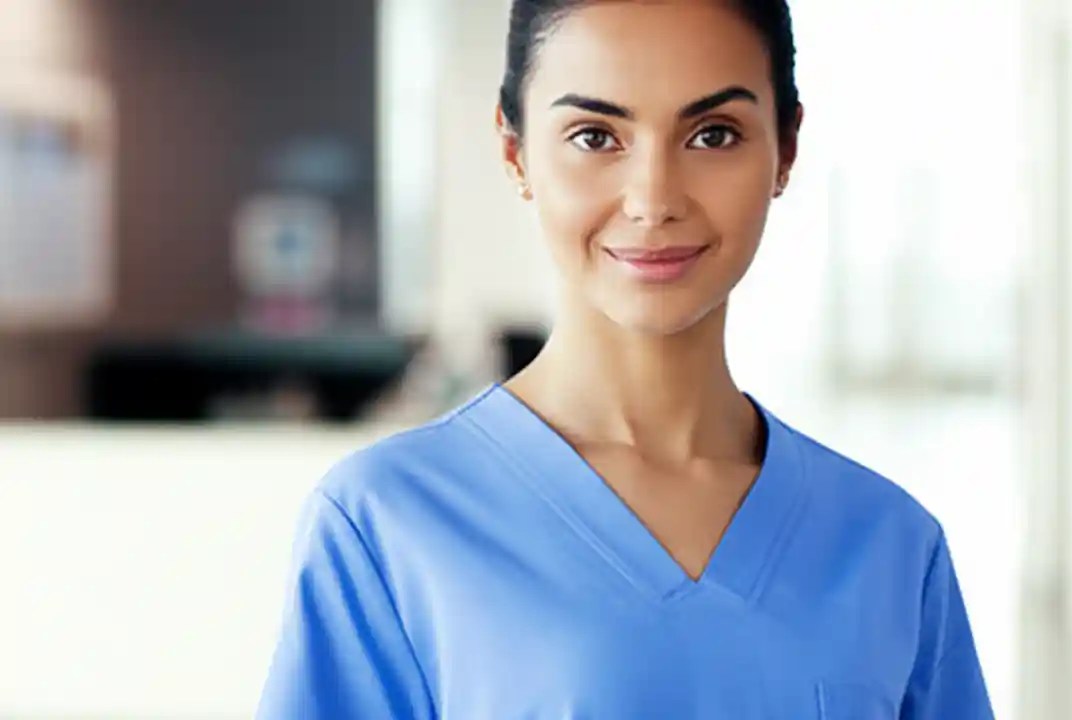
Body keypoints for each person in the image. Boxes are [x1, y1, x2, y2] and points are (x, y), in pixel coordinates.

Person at [255, 1, 994, 717]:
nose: (653, 199)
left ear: (785, 150)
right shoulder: (388, 522)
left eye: (712, 135)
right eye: (594, 136)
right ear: (515, 152)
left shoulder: (890, 545)